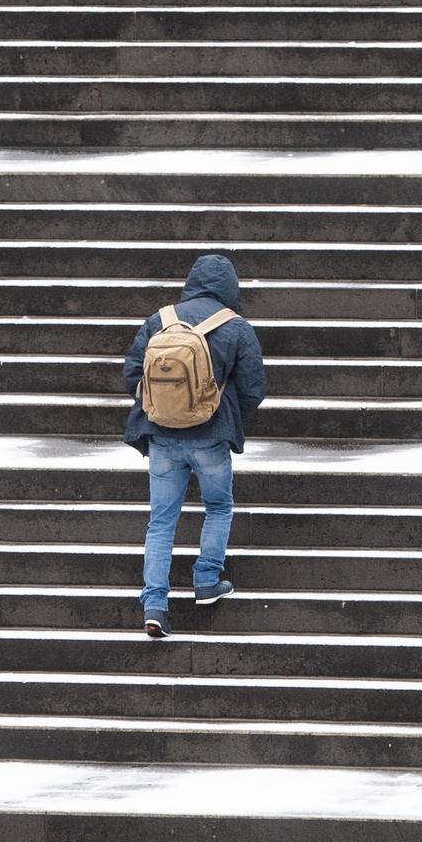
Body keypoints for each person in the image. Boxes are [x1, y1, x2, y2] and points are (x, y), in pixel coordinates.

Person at [124, 254, 265, 638]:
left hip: (162, 438)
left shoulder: (161, 319)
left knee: (161, 522)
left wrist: (162, 408)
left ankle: (154, 604)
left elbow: (131, 374)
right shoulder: (236, 327)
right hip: (210, 438)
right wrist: (222, 411)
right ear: (230, 287)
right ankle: (206, 579)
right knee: (218, 506)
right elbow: (254, 389)